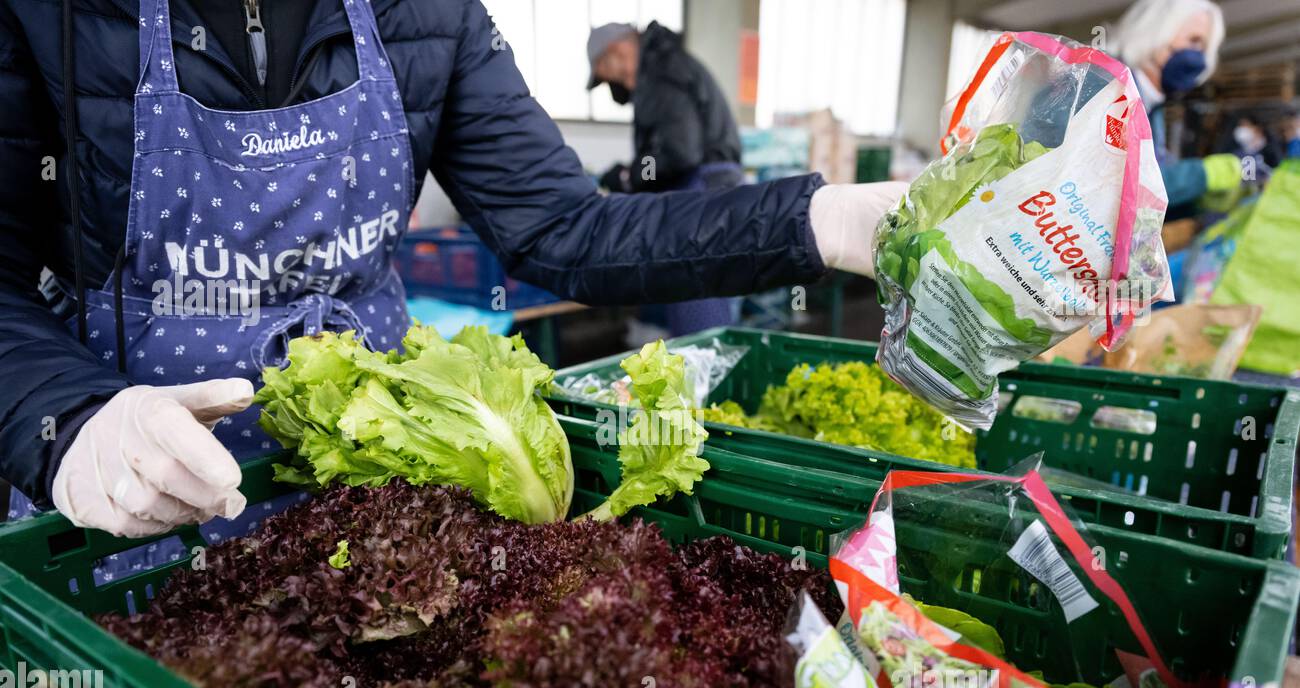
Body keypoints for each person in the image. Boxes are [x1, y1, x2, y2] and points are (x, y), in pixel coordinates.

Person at [0, 0, 904, 540]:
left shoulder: (424, 13)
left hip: (383, 480)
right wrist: (70, 419)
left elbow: (563, 227)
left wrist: (821, 218)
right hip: (131, 498)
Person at [587, 20, 747, 336]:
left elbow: (680, 152)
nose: (614, 86)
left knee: (699, 316)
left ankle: (707, 381)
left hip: (702, 192)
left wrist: (628, 176)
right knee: (698, 300)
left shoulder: (661, 71)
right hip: (711, 187)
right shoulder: (665, 65)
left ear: (616, 53)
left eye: (605, 76)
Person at [1108, 0, 1240, 209]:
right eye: (1194, 40)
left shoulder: (1152, 107)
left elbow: (1151, 189)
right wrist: (1202, 176)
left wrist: (1196, 200)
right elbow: (1120, 182)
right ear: (1156, 29)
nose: (1199, 56)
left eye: (1204, 47)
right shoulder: (1111, 86)